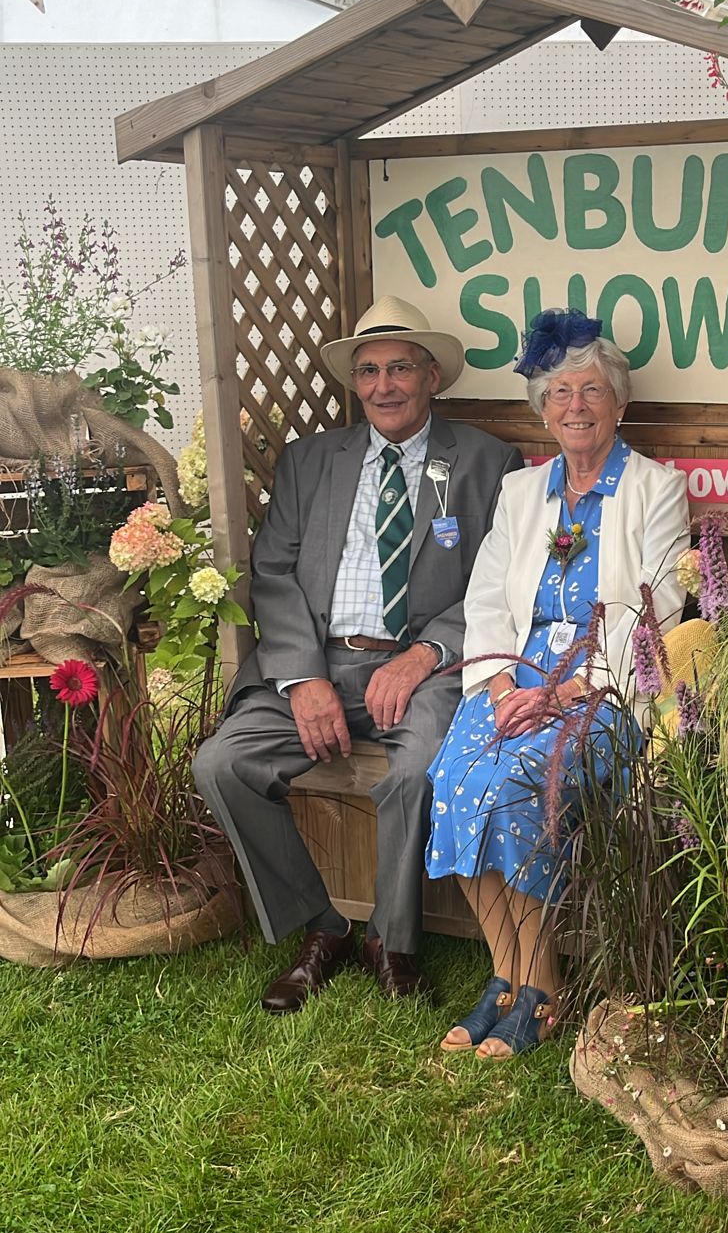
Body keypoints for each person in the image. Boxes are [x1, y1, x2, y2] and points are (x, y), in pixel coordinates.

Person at [193, 296, 522, 1013]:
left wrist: (426, 653)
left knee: (417, 770)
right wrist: (301, 676)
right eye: (369, 371)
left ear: (432, 376)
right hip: (316, 661)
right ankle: (325, 924)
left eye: (400, 368)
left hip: (423, 670)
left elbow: (500, 581)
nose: (383, 386)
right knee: (222, 764)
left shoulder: (487, 462)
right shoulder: (311, 461)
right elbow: (273, 574)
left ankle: (392, 943)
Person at [427, 311, 690, 1059]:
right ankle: (505, 975)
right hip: (513, 680)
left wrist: (568, 691)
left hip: (601, 687)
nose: (576, 405)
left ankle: (540, 984)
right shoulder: (520, 492)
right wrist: (502, 684)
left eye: (592, 390)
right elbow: (485, 599)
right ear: (543, 410)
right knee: (453, 780)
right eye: (560, 393)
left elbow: (658, 610)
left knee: (516, 787)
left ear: (619, 403)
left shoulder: (655, 489)